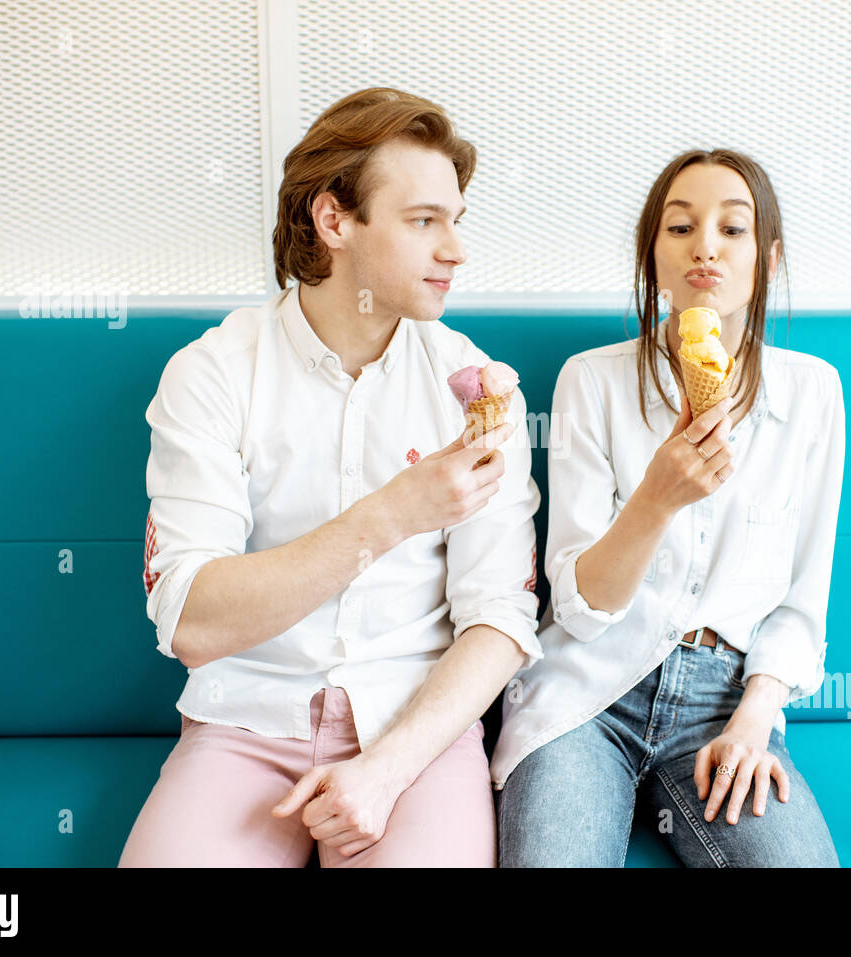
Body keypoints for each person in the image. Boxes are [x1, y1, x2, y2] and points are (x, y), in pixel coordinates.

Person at [119, 88, 542, 868]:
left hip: (415, 737)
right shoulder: (210, 375)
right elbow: (192, 622)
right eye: (425, 221)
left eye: (457, 220)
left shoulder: (477, 390)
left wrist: (385, 770)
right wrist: (390, 515)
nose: (456, 249)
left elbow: (503, 621)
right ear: (334, 220)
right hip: (243, 729)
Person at [492, 149, 844, 867]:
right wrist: (656, 499)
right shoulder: (591, 382)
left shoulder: (814, 394)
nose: (705, 246)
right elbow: (581, 606)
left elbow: (803, 606)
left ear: (768, 258)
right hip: (588, 693)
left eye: (732, 229)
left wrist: (755, 716)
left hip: (726, 703)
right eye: (680, 227)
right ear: (653, 255)